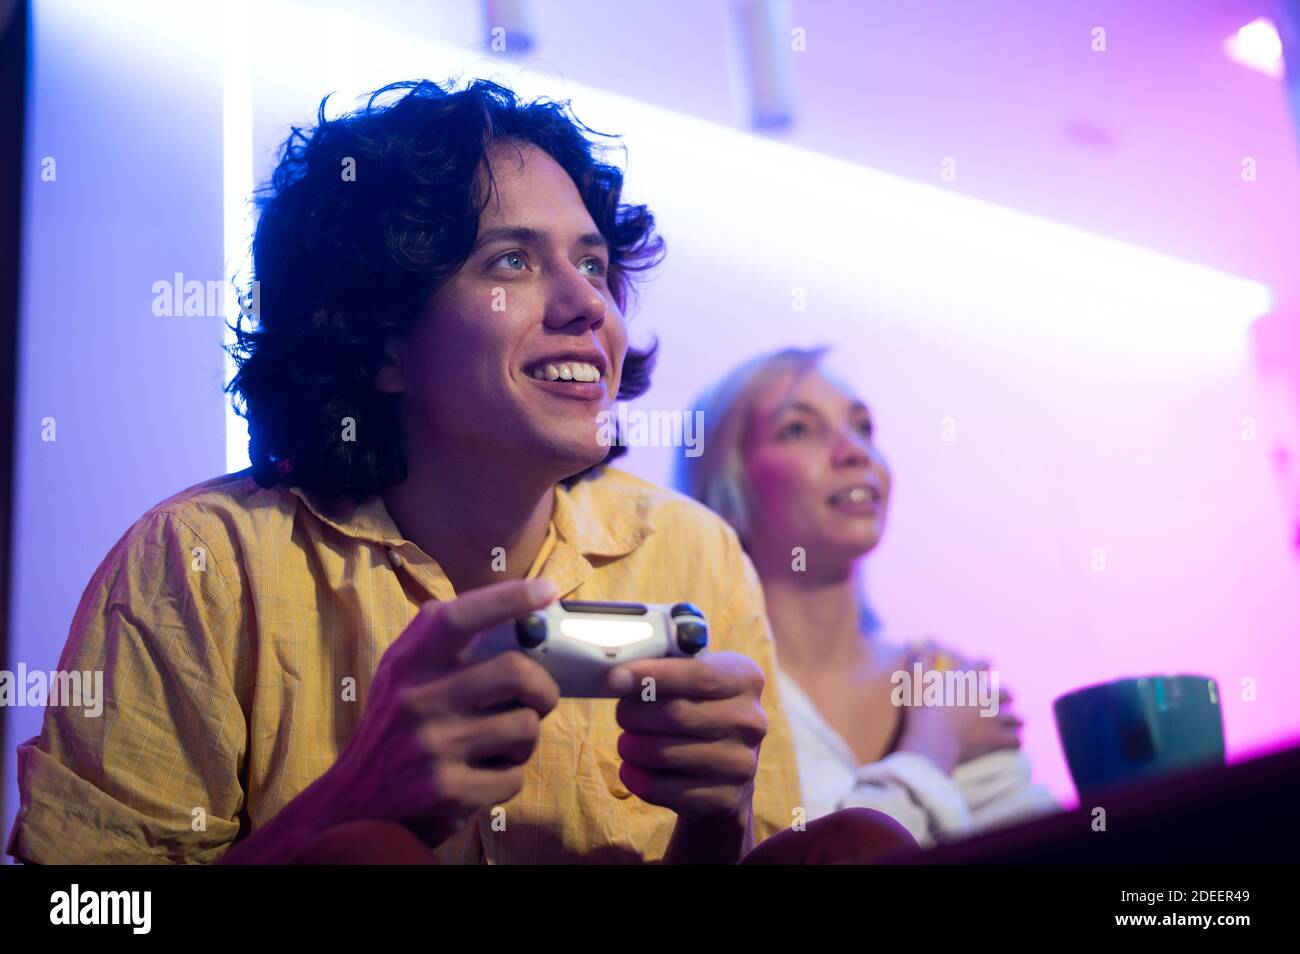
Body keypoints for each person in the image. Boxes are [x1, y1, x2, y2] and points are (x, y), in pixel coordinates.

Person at [8, 80, 915, 865]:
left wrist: (716, 829)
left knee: (861, 843)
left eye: (593, 262)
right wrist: (353, 801)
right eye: (512, 261)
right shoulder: (202, 560)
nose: (586, 304)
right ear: (382, 342)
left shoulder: (695, 551)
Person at [676, 347, 1057, 846]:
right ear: (728, 484)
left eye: (862, 427)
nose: (854, 450)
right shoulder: (710, 694)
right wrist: (934, 741)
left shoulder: (940, 676)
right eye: (798, 429)